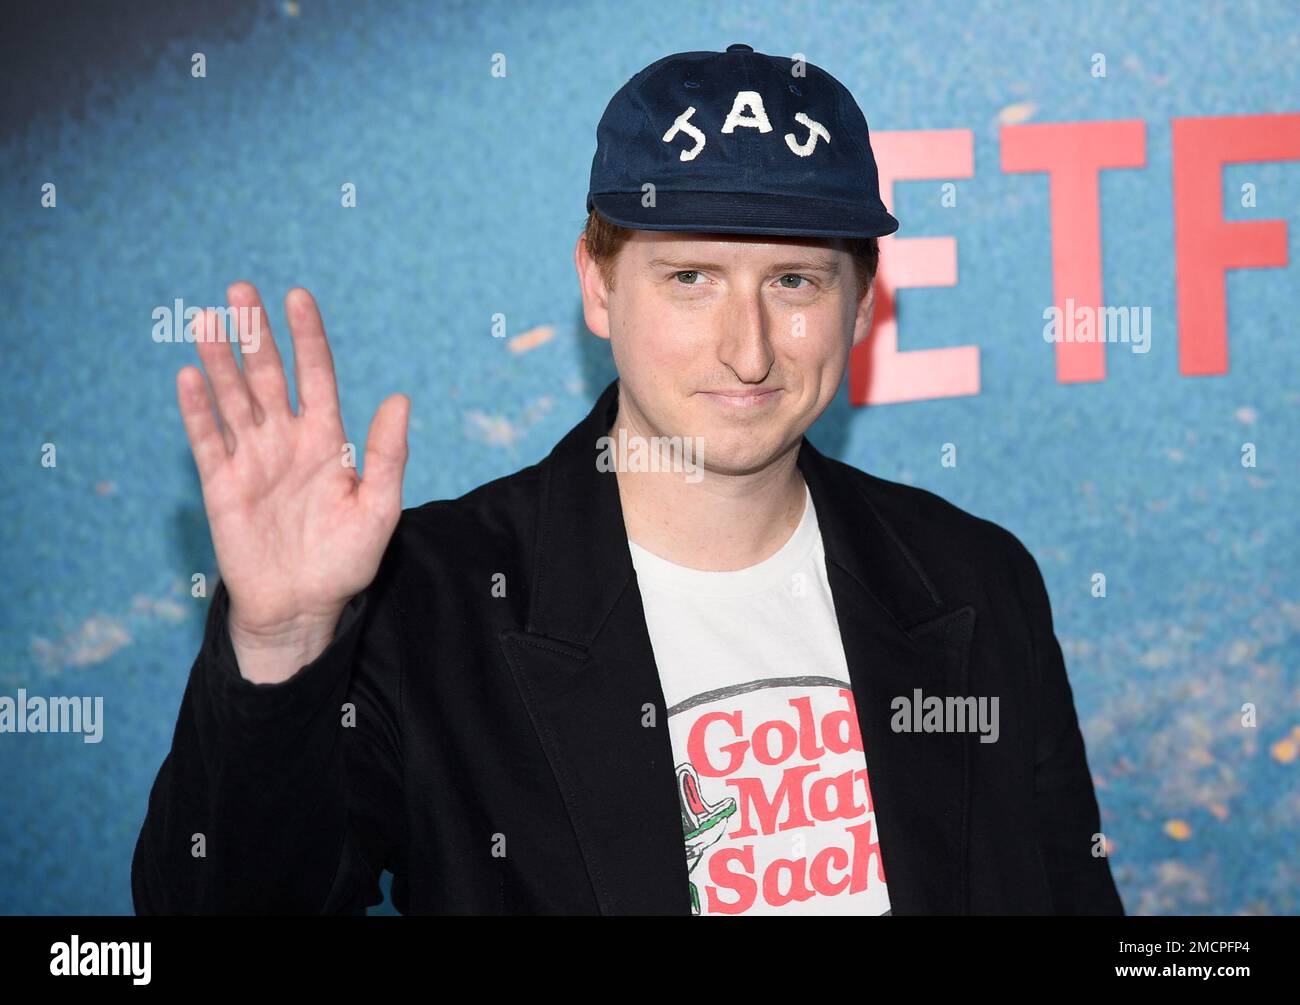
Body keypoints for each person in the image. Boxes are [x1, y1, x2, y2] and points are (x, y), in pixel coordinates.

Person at [132, 43, 1124, 916]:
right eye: (690, 278)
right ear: (597, 286)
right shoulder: (426, 606)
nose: (747, 350)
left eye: (794, 282)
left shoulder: (973, 577)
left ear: (861, 301)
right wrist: (283, 645)